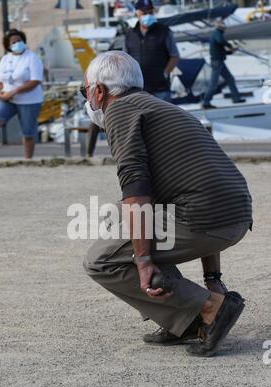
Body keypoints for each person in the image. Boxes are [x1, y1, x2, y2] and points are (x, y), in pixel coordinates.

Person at [82, 51, 253, 357]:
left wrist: (144, 261)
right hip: (234, 215)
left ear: (99, 91)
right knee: (120, 215)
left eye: (85, 91)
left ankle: (209, 310)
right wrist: (212, 277)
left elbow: (135, 187)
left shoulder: (119, 111)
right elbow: (202, 186)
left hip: (207, 219)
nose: (88, 99)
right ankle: (183, 322)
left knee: (101, 260)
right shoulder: (164, 108)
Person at [0, 29, 44, 160]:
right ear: (8, 45)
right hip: (7, 99)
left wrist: (14, 91)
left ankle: (28, 159)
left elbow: (35, 81)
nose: (17, 43)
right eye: (14, 42)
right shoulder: (5, 59)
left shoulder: (32, 58)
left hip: (29, 100)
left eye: (19, 40)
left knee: (28, 133)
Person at [125, 0, 179, 102]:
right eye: (144, 13)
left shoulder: (164, 31)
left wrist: (165, 74)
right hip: (137, 89)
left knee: (163, 117)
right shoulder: (130, 33)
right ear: (137, 13)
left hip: (160, 88)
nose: (148, 16)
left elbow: (174, 56)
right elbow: (125, 58)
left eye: (150, 13)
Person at [203, 19, 245, 109]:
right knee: (213, 84)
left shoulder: (217, 34)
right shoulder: (217, 33)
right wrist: (230, 46)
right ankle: (206, 102)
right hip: (217, 62)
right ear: (221, 27)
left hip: (219, 61)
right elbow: (220, 41)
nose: (225, 28)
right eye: (224, 26)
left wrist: (231, 51)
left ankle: (236, 98)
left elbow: (221, 50)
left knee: (230, 79)